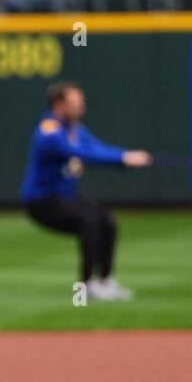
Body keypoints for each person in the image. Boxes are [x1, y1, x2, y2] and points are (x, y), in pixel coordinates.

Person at [21, 81, 151, 301]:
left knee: (106, 220)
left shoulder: (74, 129)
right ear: (59, 105)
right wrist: (123, 158)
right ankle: (86, 284)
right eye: (75, 103)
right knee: (88, 222)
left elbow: (96, 148)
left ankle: (105, 281)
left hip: (65, 198)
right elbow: (84, 154)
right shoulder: (49, 132)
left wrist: (125, 157)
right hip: (42, 201)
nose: (81, 107)